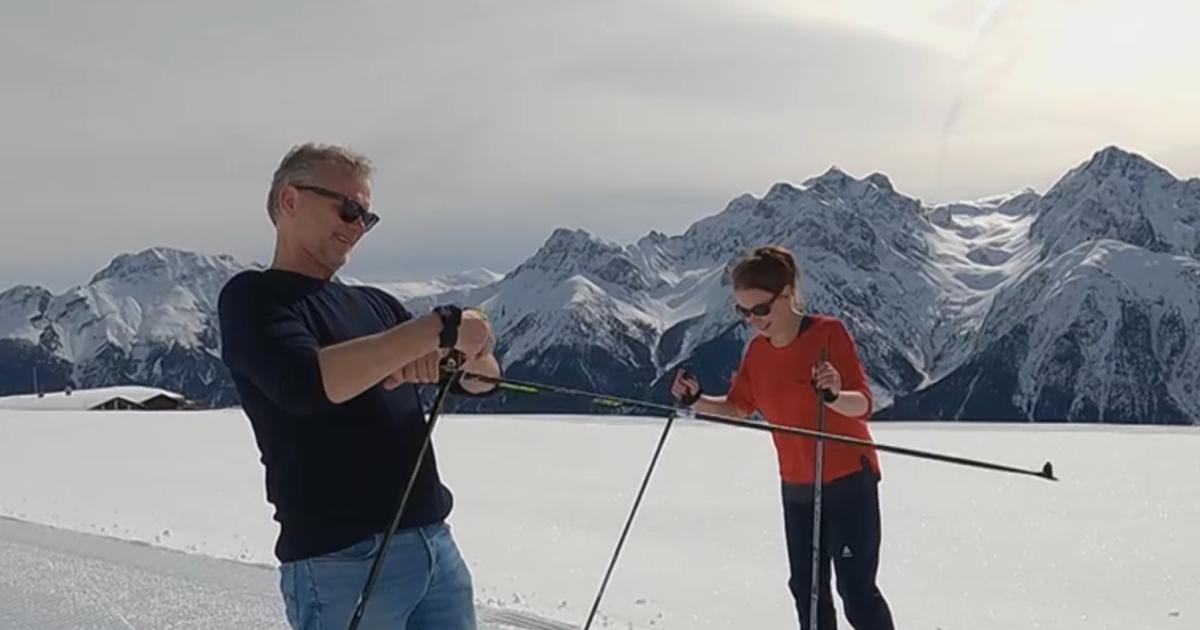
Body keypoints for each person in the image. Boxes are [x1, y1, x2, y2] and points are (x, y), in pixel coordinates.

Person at [218, 142, 500, 629]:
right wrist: (435, 329)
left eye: (365, 218)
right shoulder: (254, 299)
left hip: (433, 544)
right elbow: (307, 384)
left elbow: (482, 382)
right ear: (290, 200)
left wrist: (469, 347)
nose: (356, 227)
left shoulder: (377, 306)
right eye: (348, 208)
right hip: (339, 562)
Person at [671, 245, 895, 630]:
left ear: (788, 293)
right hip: (797, 487)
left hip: (848, 483)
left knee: (856, 593)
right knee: (807, 591)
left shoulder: (828, 334)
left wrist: (835, 396)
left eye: (761, 309)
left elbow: (863, 404)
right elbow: (739, 407)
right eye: (744, 312)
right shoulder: (757, 353)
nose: (754, 321)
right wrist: (695, 400)